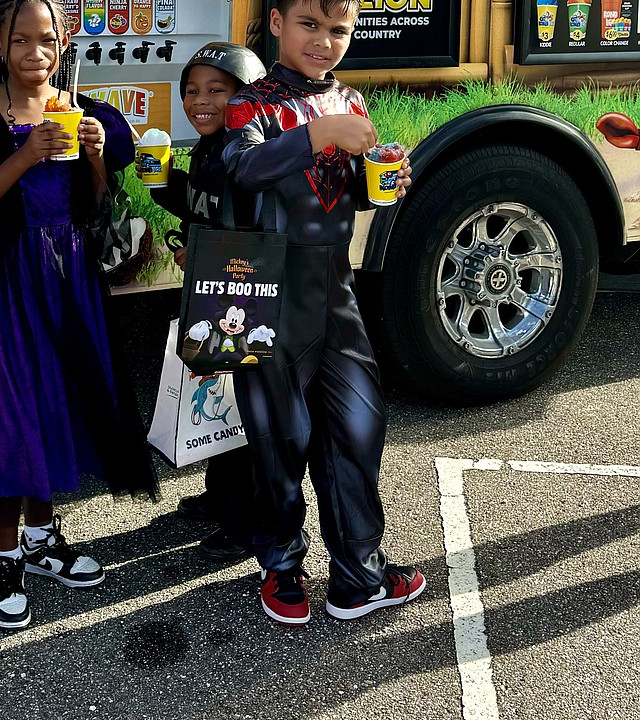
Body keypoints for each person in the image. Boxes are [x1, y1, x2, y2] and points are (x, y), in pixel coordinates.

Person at [0, 0, 156, 631]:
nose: (35, 53)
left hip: (69, 279)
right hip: (2, 282)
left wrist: (96, 155)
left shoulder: (83, 110)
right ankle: (4, 556)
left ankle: (43, 538)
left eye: (47, 39)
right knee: (8, 409)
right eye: (20, 39)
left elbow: (97, 203)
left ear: (64, 41)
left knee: (55, 402)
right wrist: (25, 156)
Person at [222, 0, 424, 626]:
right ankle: (281, 565)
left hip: (336, 289)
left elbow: (349, 192)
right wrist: (319, 134)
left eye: (339, 30)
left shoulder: (351, 101)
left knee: (359, 428)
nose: (324, 42)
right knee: (279, 437)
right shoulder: (251, 103)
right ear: (276, 23)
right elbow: (244, 169)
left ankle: (358, 573)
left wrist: (384, 179)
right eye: (309, 25)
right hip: (267, 294)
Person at [139, 42, 267, 563]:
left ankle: (245, 524)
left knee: (241, 412)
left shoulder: (248, 153)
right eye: (191, 91)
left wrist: (206, 249)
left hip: (244, 300)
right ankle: (220, 498)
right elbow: (199, 202)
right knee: (217, 399)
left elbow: (252, 225)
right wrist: (161, 181)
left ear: (249, 97)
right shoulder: (209, 148)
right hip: (214, 292)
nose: (200, 101)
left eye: (218, 90)